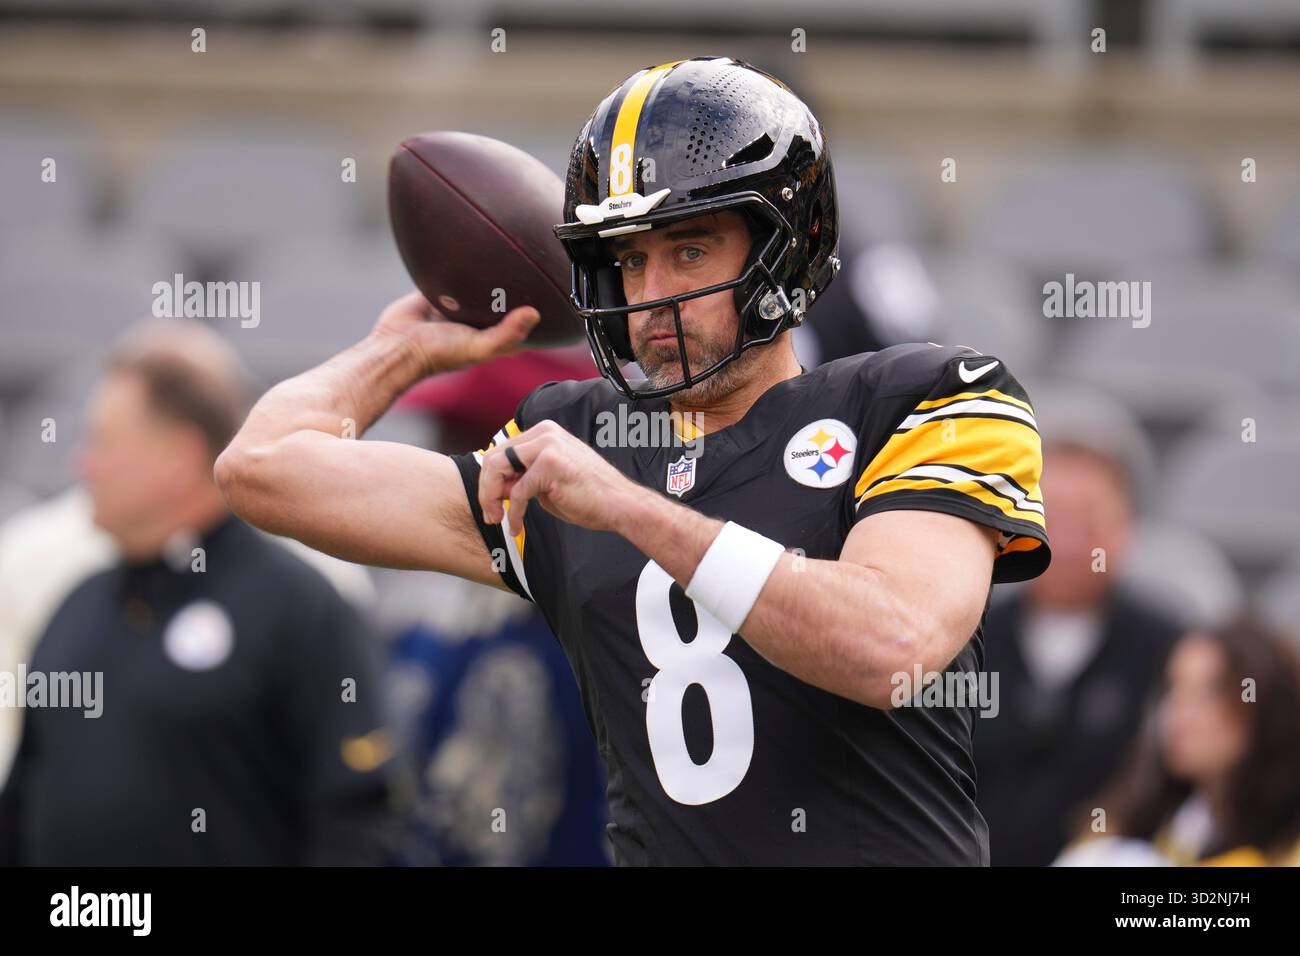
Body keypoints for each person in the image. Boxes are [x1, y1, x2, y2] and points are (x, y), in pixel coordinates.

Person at [216, 56, 1051, 865]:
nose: (651, 295)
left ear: (784, 247)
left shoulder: (932, 399)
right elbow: (263, 467)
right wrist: (398, 354)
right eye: (628, 260)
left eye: (688, 251)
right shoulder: (576, 443)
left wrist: (630, 509)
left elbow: (892, 647)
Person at [0, 319, 398, 865]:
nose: (82, 464)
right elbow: (21, 803)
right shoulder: (76, 604)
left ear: (179, 456)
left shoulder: (301, 607)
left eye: (103, 443)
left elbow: (356, 817)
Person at [975, 389, 1181, 865]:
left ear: (1127, 527)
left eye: (1086, 521)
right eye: (1050, 517)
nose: (1065, 542)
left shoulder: (1171, 652)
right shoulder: (965, 639)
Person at [1055, 617, 1300, 866]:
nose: (1178, 715)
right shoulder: (1136, 819)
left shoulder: (1287, 843)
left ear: (1265, 705)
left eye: (1209, 693)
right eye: (1173, 689)